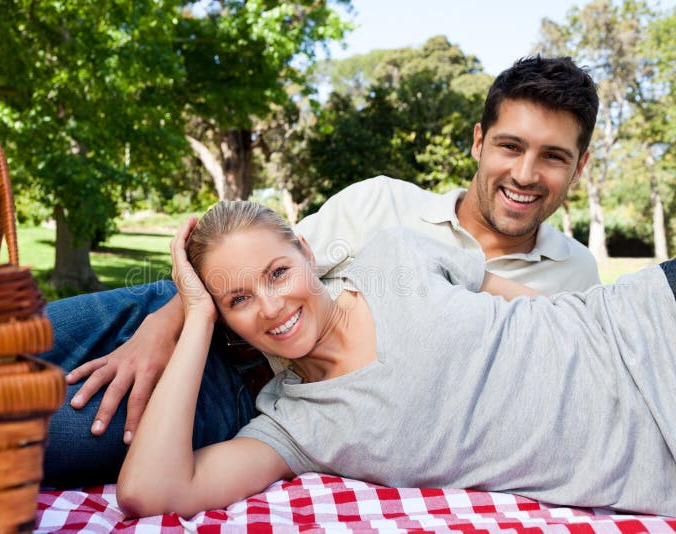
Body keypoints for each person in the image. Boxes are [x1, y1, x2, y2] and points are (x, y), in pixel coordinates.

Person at [40, 55, 601, 487]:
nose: (525, 174)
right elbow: (268, 261)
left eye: (553, 156)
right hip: (173, 311)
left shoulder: (573, 281)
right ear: (479, 142)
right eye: (510, 146)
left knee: (9, 431)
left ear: (579, 167)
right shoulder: (385, 204)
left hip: (243, 399)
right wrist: (162, 328)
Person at [117, 201, 676, 519]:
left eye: (279, 273)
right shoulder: (297, 426)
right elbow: (151, 492)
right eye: (238, 300)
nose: (271, 306)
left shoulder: (394, 254)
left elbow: (545, 310)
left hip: (651, 319)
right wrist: (196, 315)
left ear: (306, 253)